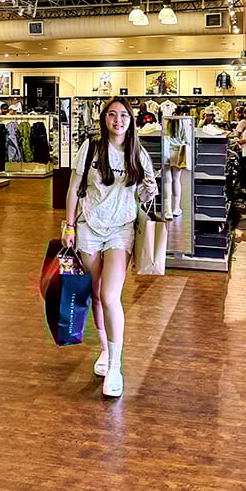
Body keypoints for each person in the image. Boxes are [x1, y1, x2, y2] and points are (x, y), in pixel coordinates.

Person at [61, 97, 158, 398]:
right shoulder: (89, 148)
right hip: (88, 225)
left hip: (121, 228)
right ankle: (105, 350)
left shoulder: (138, 154)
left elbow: (145, 196)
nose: (118, 120)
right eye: (112, 115)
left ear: (132, 121)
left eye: (124, 116)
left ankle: (116, 365)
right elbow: (74, 189)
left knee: (109, 294)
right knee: (96, 292)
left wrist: (150, 188)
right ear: (105, 119)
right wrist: (68, 225)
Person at [163, 116, 188, 220]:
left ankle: (167, 210)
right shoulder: (184, 122)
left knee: (167, 181)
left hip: (165, 151)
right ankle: (176, 208)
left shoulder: (165, 122)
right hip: (178, 151)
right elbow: (186, 139)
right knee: (176, 180)